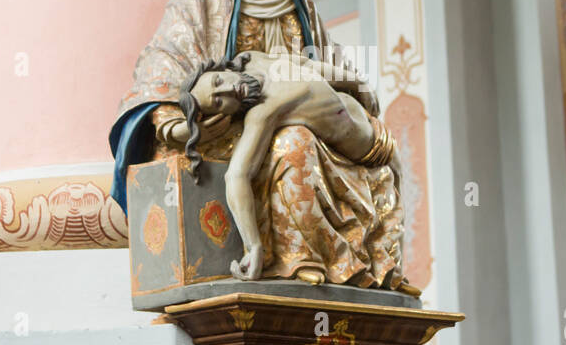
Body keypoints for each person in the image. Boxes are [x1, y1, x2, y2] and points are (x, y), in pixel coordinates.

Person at [109, 0, 406, 292]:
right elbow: (164, 65)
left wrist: (358, 84)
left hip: (315, 114)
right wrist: (174, 125)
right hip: (243, 123)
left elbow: (320, 63)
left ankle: (374, 266)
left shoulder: (298, 4)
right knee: (294, 145)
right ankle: (301, 259)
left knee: (373, 161)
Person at [177, 51, 413, 294]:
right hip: (367, 152)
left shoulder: (254, 60)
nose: (228, 90)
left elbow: (308, 65)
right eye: (218, 101)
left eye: (218, 81)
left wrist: (357, 82)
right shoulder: (263, 114)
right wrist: (254, 246)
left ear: (221, 69)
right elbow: (237, 176)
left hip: (373, 127)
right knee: (394, 206)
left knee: (396, 219)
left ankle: (394, 276)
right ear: (222, 115)